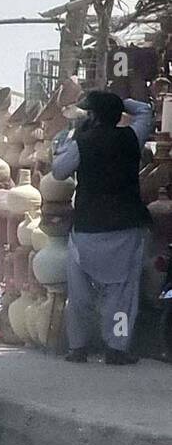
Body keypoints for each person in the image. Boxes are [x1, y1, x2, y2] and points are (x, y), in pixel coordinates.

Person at [51, 90, 152, 366]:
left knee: (80, 294)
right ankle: (116, 349)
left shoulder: (80, 143)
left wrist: (72, 134)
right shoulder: (132, 137)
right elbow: (145, 111)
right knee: (121, 296)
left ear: (92, 116)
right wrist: (122, 99)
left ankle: (78, 348)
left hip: (87, 230)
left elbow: (58, 171)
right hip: (125, 229)